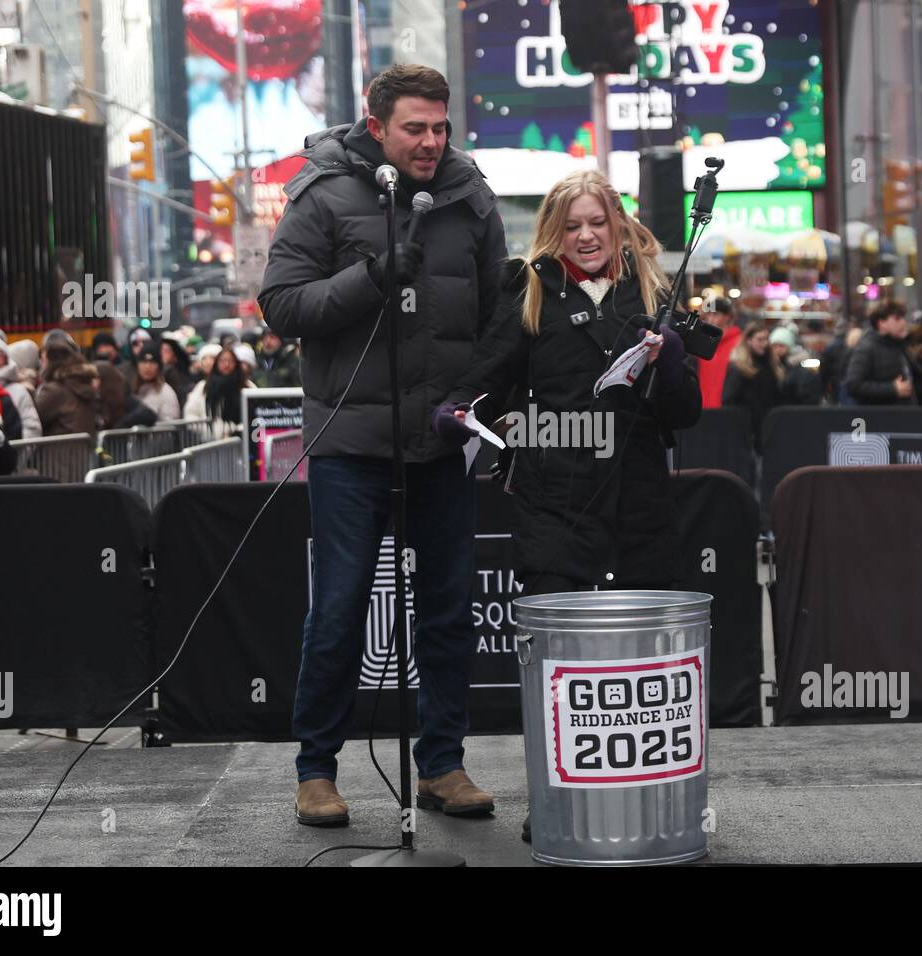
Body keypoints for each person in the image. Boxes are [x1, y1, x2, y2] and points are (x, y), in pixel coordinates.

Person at [257, 63, 507, 827]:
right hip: (351, 443)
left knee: (448, 610)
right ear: (377, 128)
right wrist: (368, 278)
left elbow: (498, 316)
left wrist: (481, 405)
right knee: (337, 609)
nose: (431, 142)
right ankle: (316, 771)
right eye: (415, 129)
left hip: (440, 440)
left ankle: (442, 765)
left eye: (440, 127)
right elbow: (280, 305)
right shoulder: (322, 193)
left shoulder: (470, 195)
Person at [438, 170, 700, 842]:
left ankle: (648, 795)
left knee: (645, 659)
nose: (587, 236)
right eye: (572, 226)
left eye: (597, 223)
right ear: (555, 232)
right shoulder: (527, 286)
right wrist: (457, 408)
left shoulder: (655, 288)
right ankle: (557, 799)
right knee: (559, 659)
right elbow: (491, 371)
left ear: (616, 225)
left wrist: (668, 358)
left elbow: (686, 410)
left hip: (639, 493)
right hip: (553, 495)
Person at [844, 300, 915, 404]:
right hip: (881, 416)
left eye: (903, 318)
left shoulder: (899, 344)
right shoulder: (867, 347)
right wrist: (892, 389)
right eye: (897, 318)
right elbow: (853, 385)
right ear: (881, 323)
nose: (903, 322)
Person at [722, 320, 779, 444]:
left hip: (768, 427)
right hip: (747, 431)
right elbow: (728, 399)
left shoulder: (770, 364)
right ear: (748, 340)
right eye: (760, 339)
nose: (765, 343)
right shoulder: (739, 368)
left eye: (766, 339)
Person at [35, 336, 100, 436]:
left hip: (59, 449)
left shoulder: (54, 390)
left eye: (43, 360)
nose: (41, 365)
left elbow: (34, 417)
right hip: (85, 448)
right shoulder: (84, 382)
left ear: (52, 362)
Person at [184, 346, 254, 437]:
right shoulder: (203, 387)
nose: (226, 364)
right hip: (209, 443)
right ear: (216, 363)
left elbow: (256, 413)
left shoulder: (247, 386)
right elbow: (190, 415)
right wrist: (208, 431)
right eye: (222, 360)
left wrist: (239, 430)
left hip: (240, 441)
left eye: (231, 361)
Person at [0, 337, 42, 438]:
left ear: (6, 359)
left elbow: (32, 428)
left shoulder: (19, 391)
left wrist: (20, 452)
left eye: (0, 354)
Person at [695, 296, 740, 409]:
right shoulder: (703, 341)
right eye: (708, 315)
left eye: (715, 314)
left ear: (728, 317)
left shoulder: (738, 342)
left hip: (727, 406)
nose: (711, 319)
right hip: (702, 405)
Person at [769, 326, 821, 407]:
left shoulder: (800, 367)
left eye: (781, 346)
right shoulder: (770, 365)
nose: (777, 350)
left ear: (789, 347)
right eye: (774, 346)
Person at [131, 342, 182, 421]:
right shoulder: (133, 390)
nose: (148, 367)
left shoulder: (166, 392)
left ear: (159, 367)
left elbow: (170, 425)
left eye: (152, 362)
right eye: (144, 362)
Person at [158, 336, 195, 406]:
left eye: (166, 351)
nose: (162, 353)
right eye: (160, 350)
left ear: (175, 355)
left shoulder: (173, 372)